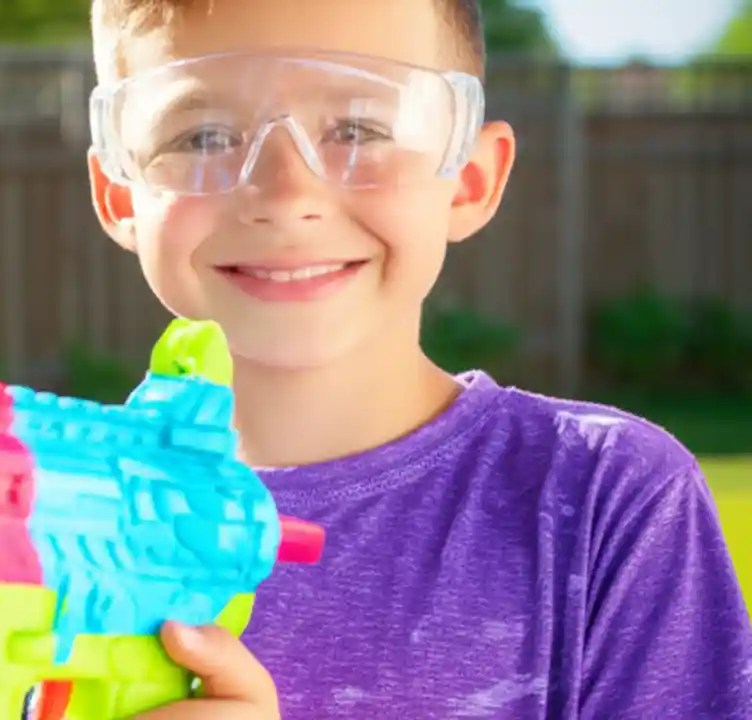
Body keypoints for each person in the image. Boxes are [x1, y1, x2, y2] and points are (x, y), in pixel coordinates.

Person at [79, 0, 752, 718]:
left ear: (469, 178)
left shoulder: (600, 503)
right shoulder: (44, 509)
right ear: (120, 193)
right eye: (205, 135)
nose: (285, 195)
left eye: (359, 128)